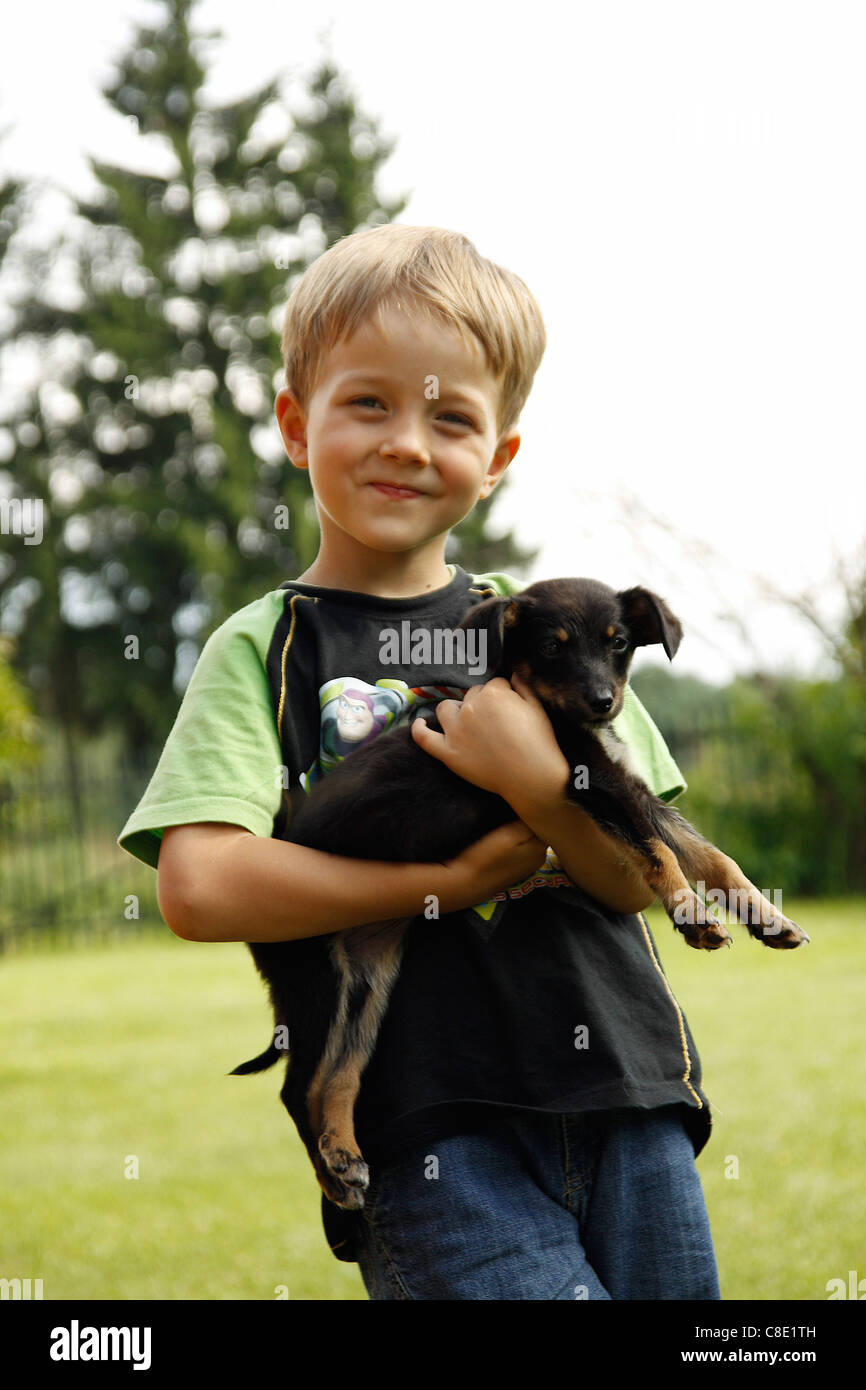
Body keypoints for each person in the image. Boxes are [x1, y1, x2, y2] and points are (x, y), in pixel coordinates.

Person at [118, 224, 720, 1301]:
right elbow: (201, 884)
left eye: (449, 418)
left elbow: (634, 873)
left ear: (495, 459)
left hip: (629, 1094)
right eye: (367, 404)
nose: (406, 442)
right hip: (431, 1132)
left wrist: (533, 775)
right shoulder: (264, 646)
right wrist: (441, 887)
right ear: (295, 426)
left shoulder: (551, 631)